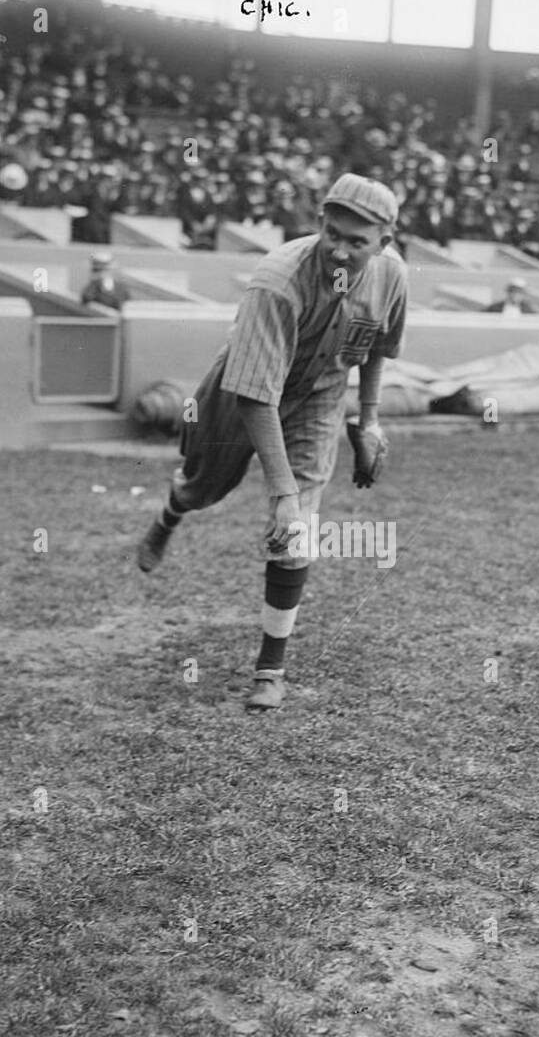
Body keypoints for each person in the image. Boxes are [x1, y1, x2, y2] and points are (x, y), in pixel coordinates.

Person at [135, 173, 408, 712]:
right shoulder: (278, 279)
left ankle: (270, 667)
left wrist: (369, 421)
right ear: (319, 224)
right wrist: (279, 491)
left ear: (384, 243)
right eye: (333, 233)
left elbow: (376, 345)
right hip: (242, 392)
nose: (341, 248)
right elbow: (256, 395)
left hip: (319, 398)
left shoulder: (392, 276)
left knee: (297, 530)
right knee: (203, 489)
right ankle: (172, 510)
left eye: (358, 241)